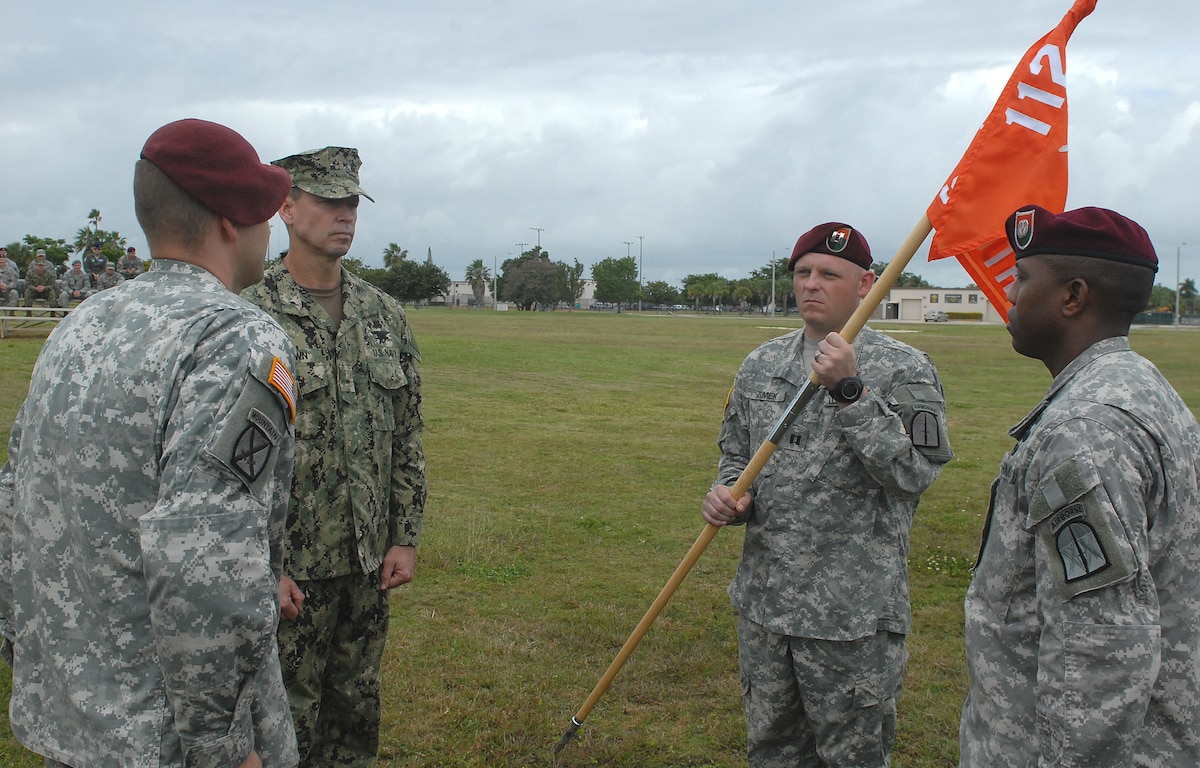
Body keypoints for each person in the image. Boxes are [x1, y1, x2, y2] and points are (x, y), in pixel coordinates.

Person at [0, 117, 301, 768]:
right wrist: (223, 747)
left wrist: (27, 652)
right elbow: (202, 560)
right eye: (264, 210)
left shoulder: (79, 328)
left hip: (76, 728)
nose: (270, 227)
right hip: (169, 742)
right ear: (230, 220)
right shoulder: (235, 340)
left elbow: (14, 506)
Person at [702, 222, 952, 767]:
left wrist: (850, 391)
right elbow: (735, 455)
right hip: (766, 605)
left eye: (829, 274)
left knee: (851, 755)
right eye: (803, 273)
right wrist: (727, 496)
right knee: (771, 749)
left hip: (851, 617)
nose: (812, 284)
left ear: (865, 285)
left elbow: (914, 475)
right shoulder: (762, 364)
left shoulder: (904, 369)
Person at [959, 205, 1200, 767]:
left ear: (1072, 297)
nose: (1010, 297)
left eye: (1021, 279)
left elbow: (1099, 651)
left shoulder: (1084, 432)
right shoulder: (1139, 387)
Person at [242, 146, 426, 767]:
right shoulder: (250, 313)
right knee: (282, 723)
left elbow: (407, 436)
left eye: (352, 202)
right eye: (328, 201)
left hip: (366, 564)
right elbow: (226, 468)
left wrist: (403, 537)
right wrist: (263, 566)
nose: (344, 214)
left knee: (354, 716)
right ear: (287, 209)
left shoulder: (384, 316)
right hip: (289, 570)